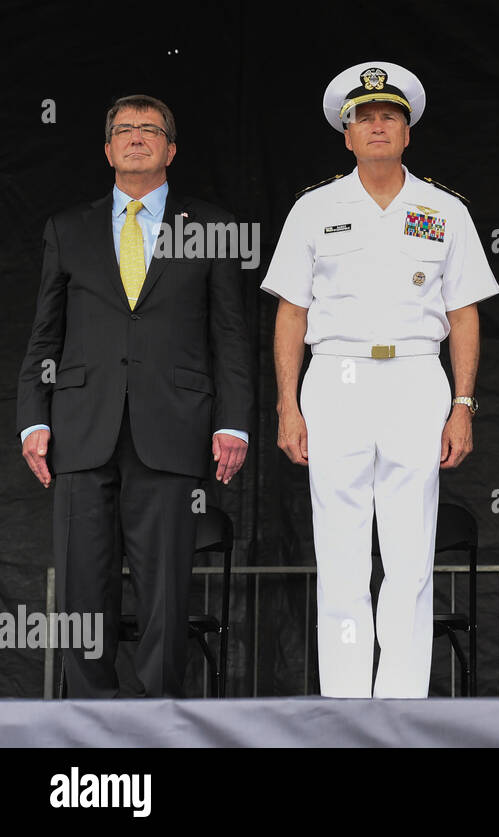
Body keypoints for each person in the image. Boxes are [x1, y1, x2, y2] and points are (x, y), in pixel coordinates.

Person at [261, 61, 499, 698]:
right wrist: (288, 402)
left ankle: (401, 701)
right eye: (363, 118)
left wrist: (463, 402)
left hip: (418, 376)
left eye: (388, 116)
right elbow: (291, 310)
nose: (376, 127)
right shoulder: (314, 207)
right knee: (339, 553)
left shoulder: (443, 208)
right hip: (335, 376)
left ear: (407, 130)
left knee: (409, 555)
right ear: (346, 134)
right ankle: (343, 700)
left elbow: (463, 311)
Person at [16, 94, 253, 697]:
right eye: (124, 129)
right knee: (80, 586)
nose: (137, 137)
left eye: (151, 129)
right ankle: (89, 719)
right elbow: (46, 333)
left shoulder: (213, 227)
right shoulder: (67, 229)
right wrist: (31, 419)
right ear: (106, 149)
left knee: (165, 588)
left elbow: (229, 332)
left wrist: (234, 422)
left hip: (173, 425)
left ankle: (158, 718)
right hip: (78, 426)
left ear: (171, 149)